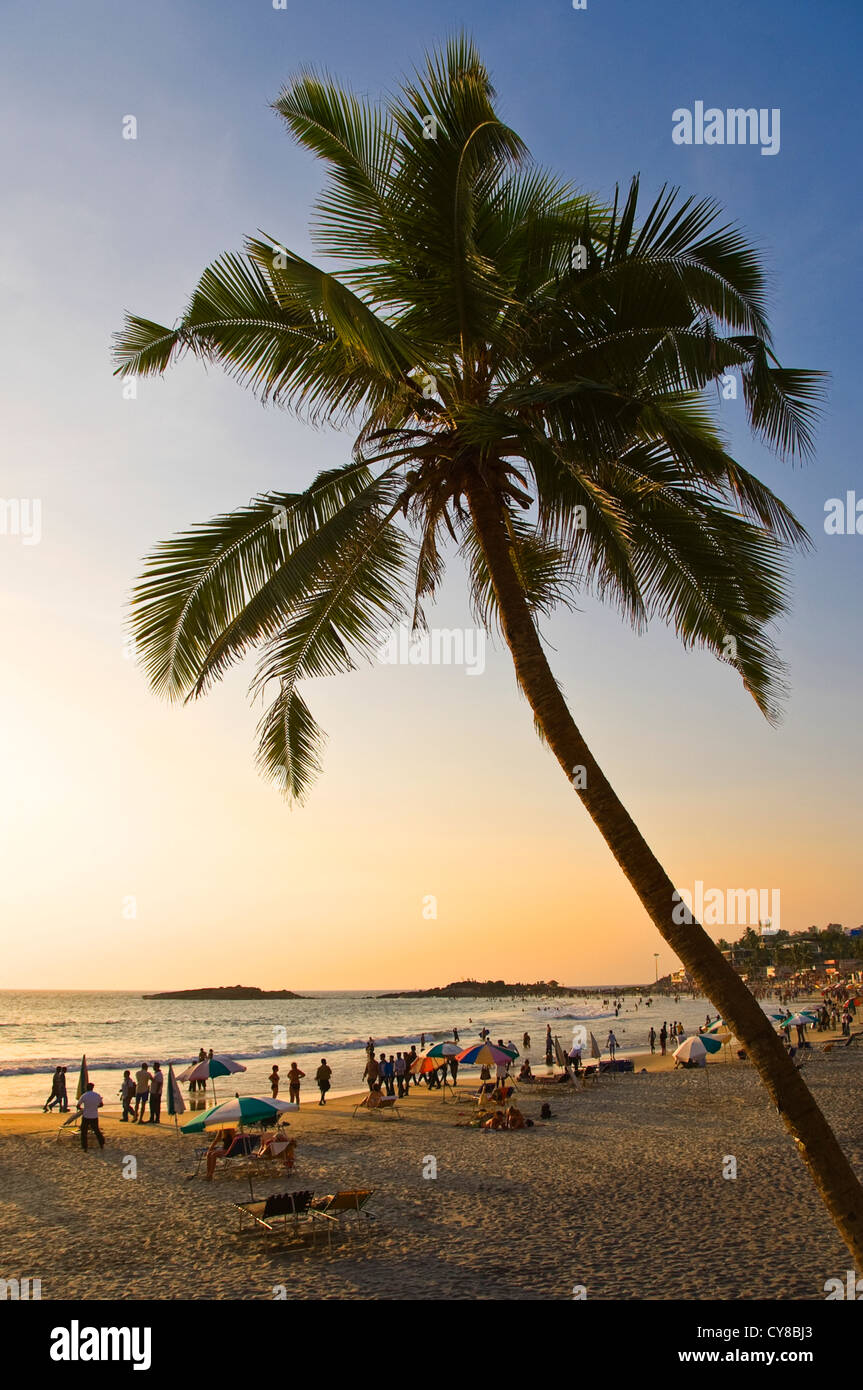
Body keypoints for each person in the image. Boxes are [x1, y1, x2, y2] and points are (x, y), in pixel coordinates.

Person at [77, 1082, 105, 1151]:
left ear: (86, 1088)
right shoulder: (97, 1095)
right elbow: (101, 1104)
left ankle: (84, 1146)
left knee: (84, 1132)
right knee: (96, 1130)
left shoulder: (84, 1095)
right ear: (92, 1088)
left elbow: (78, 1106)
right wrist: (95, 1107)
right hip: (94, 1116)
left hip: (86, 1116)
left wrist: (82, 1109)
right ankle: (101, 1143)